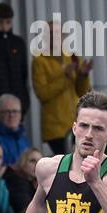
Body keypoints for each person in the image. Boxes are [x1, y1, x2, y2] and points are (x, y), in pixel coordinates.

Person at [32, 20, 93, 155]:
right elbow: (43, 93)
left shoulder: (72, 57)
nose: (55, 37)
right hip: (55, 128)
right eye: (51, 33)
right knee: (68, 163)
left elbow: (83, 93)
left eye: (59, 33)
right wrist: (64, 77)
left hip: (76, 123)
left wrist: (83, 75)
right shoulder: (39, 61)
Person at [0, 94, 31, 165]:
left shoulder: (23, 139)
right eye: (7, 111)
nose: (11, 115)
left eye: (15, 111)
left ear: (20, 114)